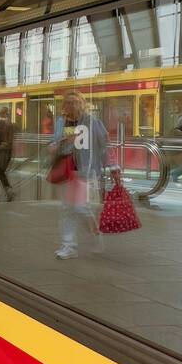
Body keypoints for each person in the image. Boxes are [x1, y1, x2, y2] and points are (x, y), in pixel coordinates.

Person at [51, 91, 108, 259]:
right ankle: (69, 246)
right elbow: (55, 140)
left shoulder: (92, 122)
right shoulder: (61, 122)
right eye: (68, 102)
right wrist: (55, 144)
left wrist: (112, 166)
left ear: (82, 104)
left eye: (75, 102)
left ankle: (95, 233)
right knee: (67, 209)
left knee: (80, 208)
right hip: (68, 171)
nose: (71, 105)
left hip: (86, 171)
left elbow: (104, 145)